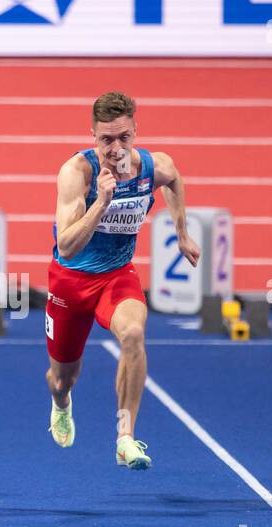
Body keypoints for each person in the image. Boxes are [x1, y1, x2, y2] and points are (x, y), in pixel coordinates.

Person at [45, 91, 201, 470]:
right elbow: (66, 247)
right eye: (106, 140)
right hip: (70, 282)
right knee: (63, 379)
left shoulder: (152, 166)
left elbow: (174, 179)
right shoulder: (77, 174)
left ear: (135, 131)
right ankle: (61, 404)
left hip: (116, 275)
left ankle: (125, 437)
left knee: (133, 334)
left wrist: (182, 232)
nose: (116, 148)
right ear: (93, 136)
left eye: (124, 137)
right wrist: (100, 203)